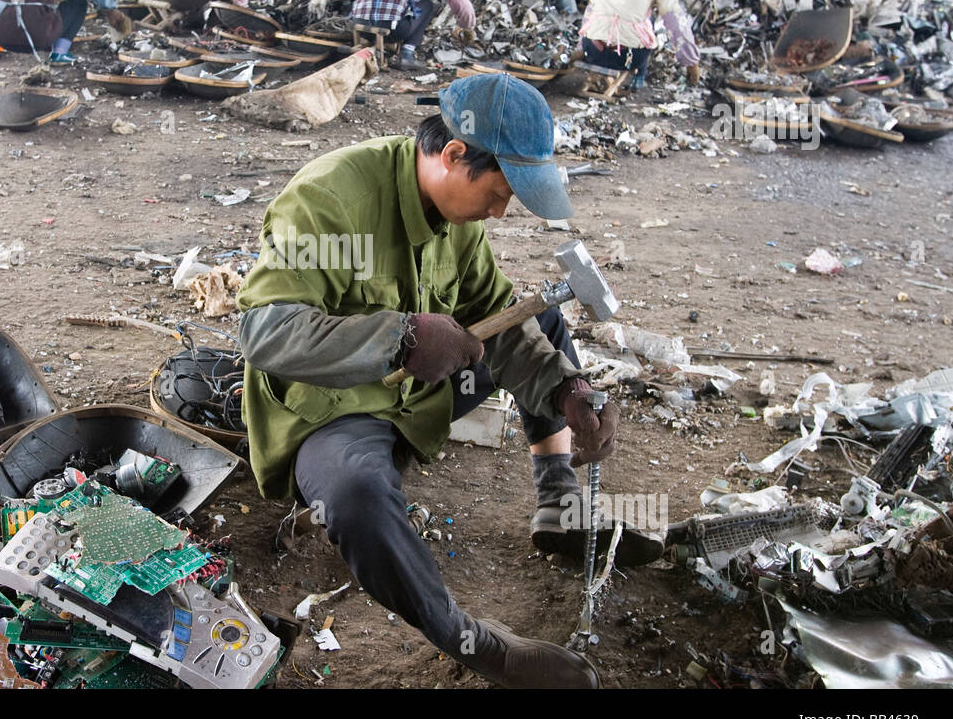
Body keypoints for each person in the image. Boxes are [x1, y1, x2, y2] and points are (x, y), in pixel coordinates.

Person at [234, 72, 662, 688]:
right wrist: (399, 337)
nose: (501, 210)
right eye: (500, 190)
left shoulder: (458, 220)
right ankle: (476, 643)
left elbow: (501, 319)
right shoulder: (331, 200)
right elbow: (265, 334)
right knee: (356, 495)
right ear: (454, 154)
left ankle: (558, 502)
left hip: (423, 392)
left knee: (535, 313)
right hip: (334, 409)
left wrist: (569, 389)